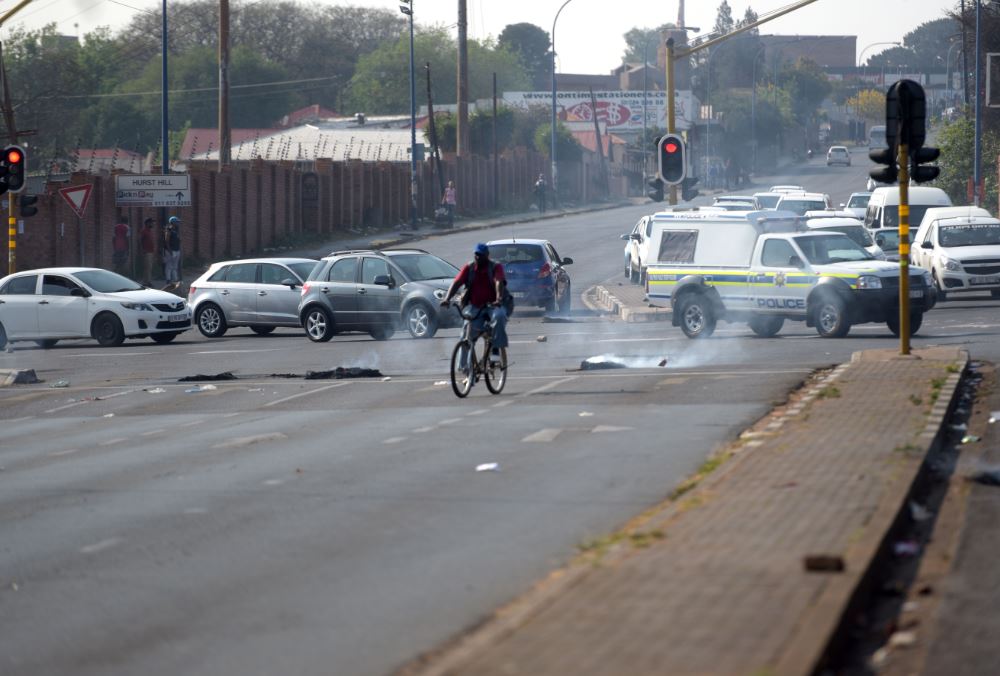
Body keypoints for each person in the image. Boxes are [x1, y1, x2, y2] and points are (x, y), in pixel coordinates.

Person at [440, 242, 508, 366]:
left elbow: (499, 282)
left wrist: (498, 298)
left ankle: (495, 350)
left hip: (493, 306)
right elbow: (457, 283)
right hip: (475, 307)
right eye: (476, 254)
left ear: (487, 255)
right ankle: (465, 368)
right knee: (466, 334)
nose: (478, 257)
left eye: (480, 255)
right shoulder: (469, 268)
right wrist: (447, 299)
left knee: (499, 317)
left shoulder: (495, 267)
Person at [163, 216, 182, 287]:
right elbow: (166, 241)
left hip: (177, 250)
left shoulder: (176, 230)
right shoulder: (169, 230)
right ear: (173, 222)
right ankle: (168, 280)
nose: (178, 223)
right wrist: (169, 250)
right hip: (171, 251)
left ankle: (175, 279)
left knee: (175, 266)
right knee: (169, 266)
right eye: (177, 222)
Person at [140, 217, 156, 287]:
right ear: (147, 223)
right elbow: (139, 240)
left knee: (149, 267)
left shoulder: (150, 231)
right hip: (146, 251)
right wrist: (142, 249)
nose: (153, 224)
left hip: (151, 251)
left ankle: (147, 281)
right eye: (151, 222)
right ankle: (146, 282)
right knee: (147, 267)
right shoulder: (144, 231)